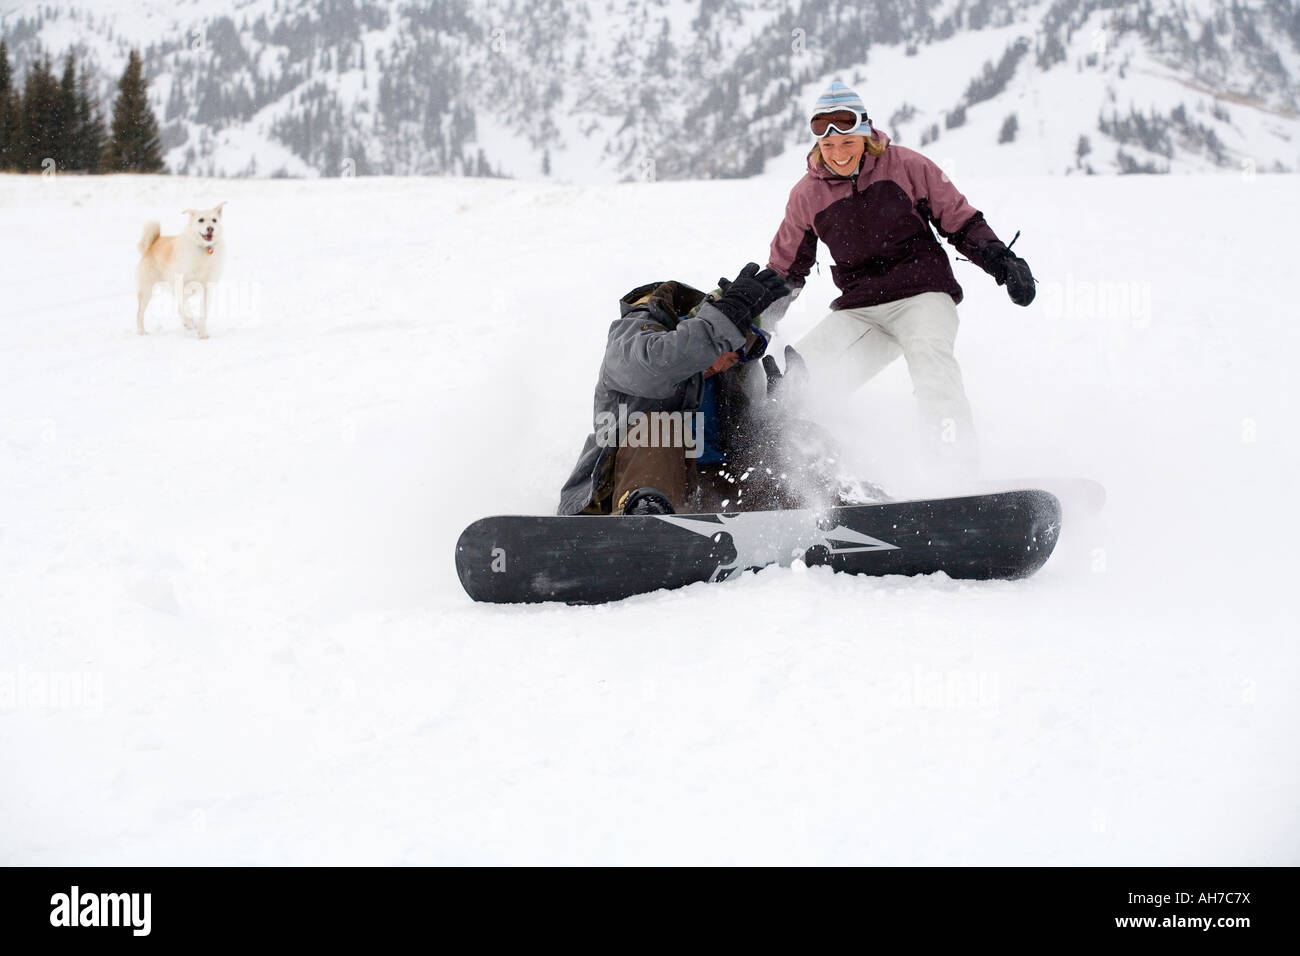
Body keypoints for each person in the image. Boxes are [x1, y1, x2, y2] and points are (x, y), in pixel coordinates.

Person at [764, 81, 1036, 479]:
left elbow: (959, 220)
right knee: (798, 384)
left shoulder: (906, 166)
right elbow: (785, 270)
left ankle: (956, 474)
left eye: (847, 143)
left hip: (922, 298)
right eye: (828, 146)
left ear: (865, 134)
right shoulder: (807, 194)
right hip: (861, 312)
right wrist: (749, 322)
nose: (838, 154)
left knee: (931, 363)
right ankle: (801, 482)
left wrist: (1002, 262)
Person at [557, 264, 848, 517]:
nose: (732, 359)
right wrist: (721, 325)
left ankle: (845, 511)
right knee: (662, 430)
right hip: (624, 489)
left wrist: (782, 407)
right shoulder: (636, 337)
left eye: (742, 352)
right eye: (730, 345)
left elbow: (754, 445)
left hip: (708, 495)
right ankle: (645, 521)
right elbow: (656, 366)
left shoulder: (734, 375)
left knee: (799, 437)